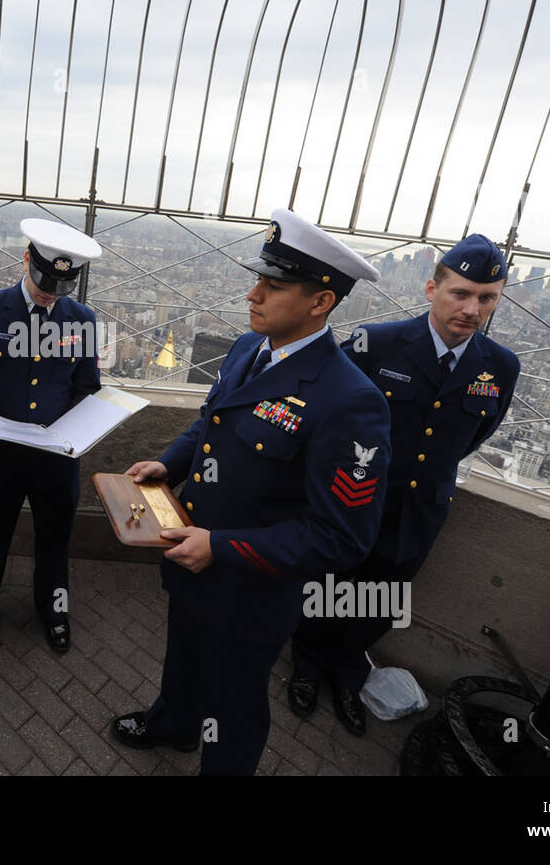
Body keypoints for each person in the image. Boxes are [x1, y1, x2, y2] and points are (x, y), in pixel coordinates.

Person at [109, 209, 391, 776]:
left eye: (274, 285)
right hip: (191, 556)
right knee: (183, 657)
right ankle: (174, 725)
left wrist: (223, 548)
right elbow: (210, 425)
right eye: (259, 277)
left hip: (252, 590)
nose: (253, 293)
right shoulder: (247, 348)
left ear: (321, 302)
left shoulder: (349, 402)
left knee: (235, 704)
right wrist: (166, 465)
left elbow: (340, 537)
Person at [288, 234, 520, 737]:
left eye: (487, 298)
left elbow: (476, 435)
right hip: (353, 501)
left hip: (420, 512)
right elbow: (327, 414)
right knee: (328, 588)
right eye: (460, 293)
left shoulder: (501, 367)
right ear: (431, 287)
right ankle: (306, 665)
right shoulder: (378, 342)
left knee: (380, 599)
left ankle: (348, 672)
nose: (471, 308)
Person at [0, 219, 102, 661]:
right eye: (45, 279)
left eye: (62, 285)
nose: (50, 292)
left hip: (56, 456)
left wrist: (83, 424)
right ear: (26, 260)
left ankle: (54, 611)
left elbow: (88, 387)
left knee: (55, 540)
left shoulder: (81, 319)